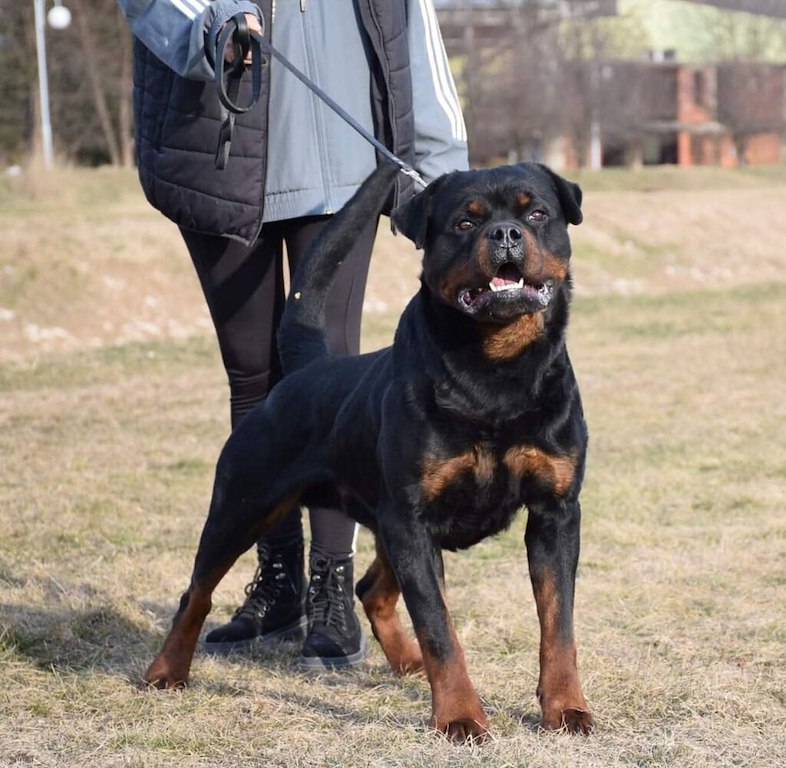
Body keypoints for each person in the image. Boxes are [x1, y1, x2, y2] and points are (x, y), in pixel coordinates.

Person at [117, 0, 468, 670]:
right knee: (251, 370)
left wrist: (440, 174)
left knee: (330, 373)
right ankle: (276, 584)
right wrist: (207, 32)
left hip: (344, 156)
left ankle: (333, 585)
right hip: (218, 142)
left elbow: (415, 37)